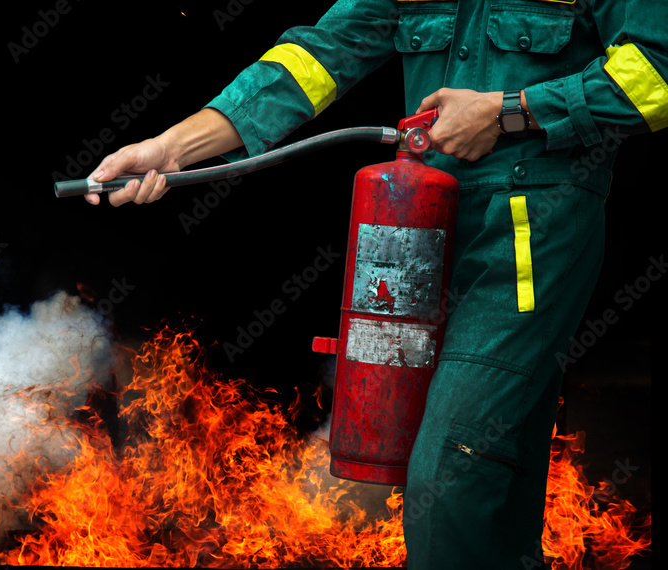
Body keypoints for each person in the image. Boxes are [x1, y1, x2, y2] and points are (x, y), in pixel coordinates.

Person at [83, 1, 666, 568]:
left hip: (528, 239)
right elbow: (319, 55)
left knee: (451, 467)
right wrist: (171, 148)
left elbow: (658, 76)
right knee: (493, 482)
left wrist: (512, 110)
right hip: (420, 225)